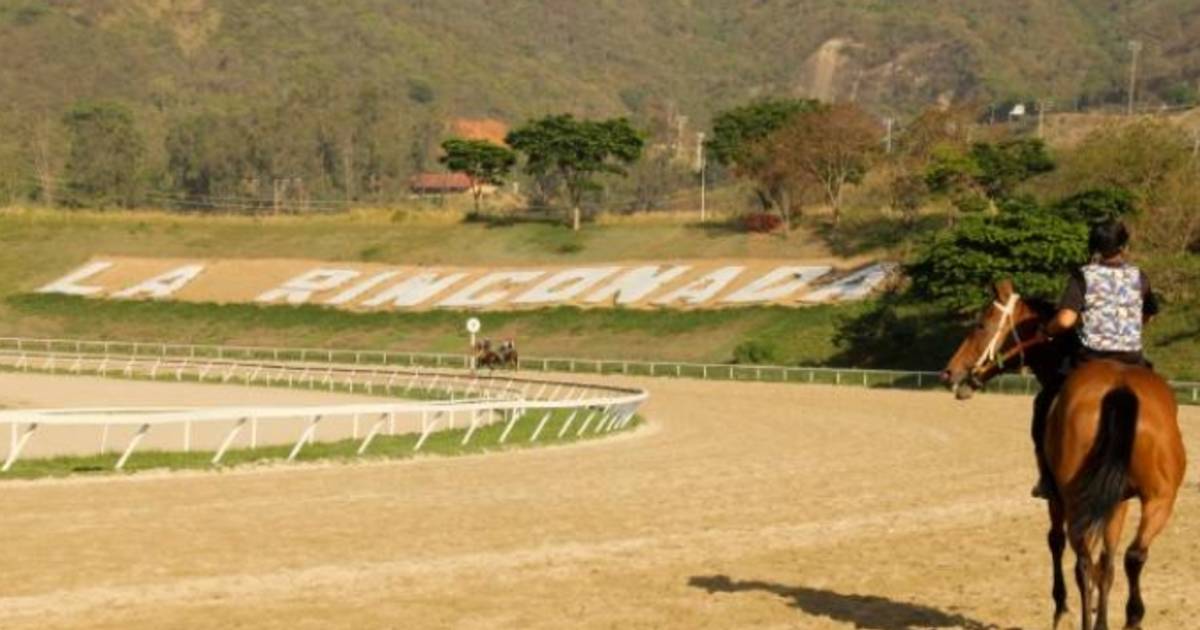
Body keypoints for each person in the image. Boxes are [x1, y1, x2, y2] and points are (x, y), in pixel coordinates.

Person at [1030, 219, 1160, 499]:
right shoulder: (1140, 277)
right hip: (1132, 358)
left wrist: (1045, 330)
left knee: (1045, 401)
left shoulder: (1083, 276)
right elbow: (1148, 315)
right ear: (1124, 246)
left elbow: (1065, 320)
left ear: (1095, 246)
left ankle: (1047, 478)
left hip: (1091, 359)